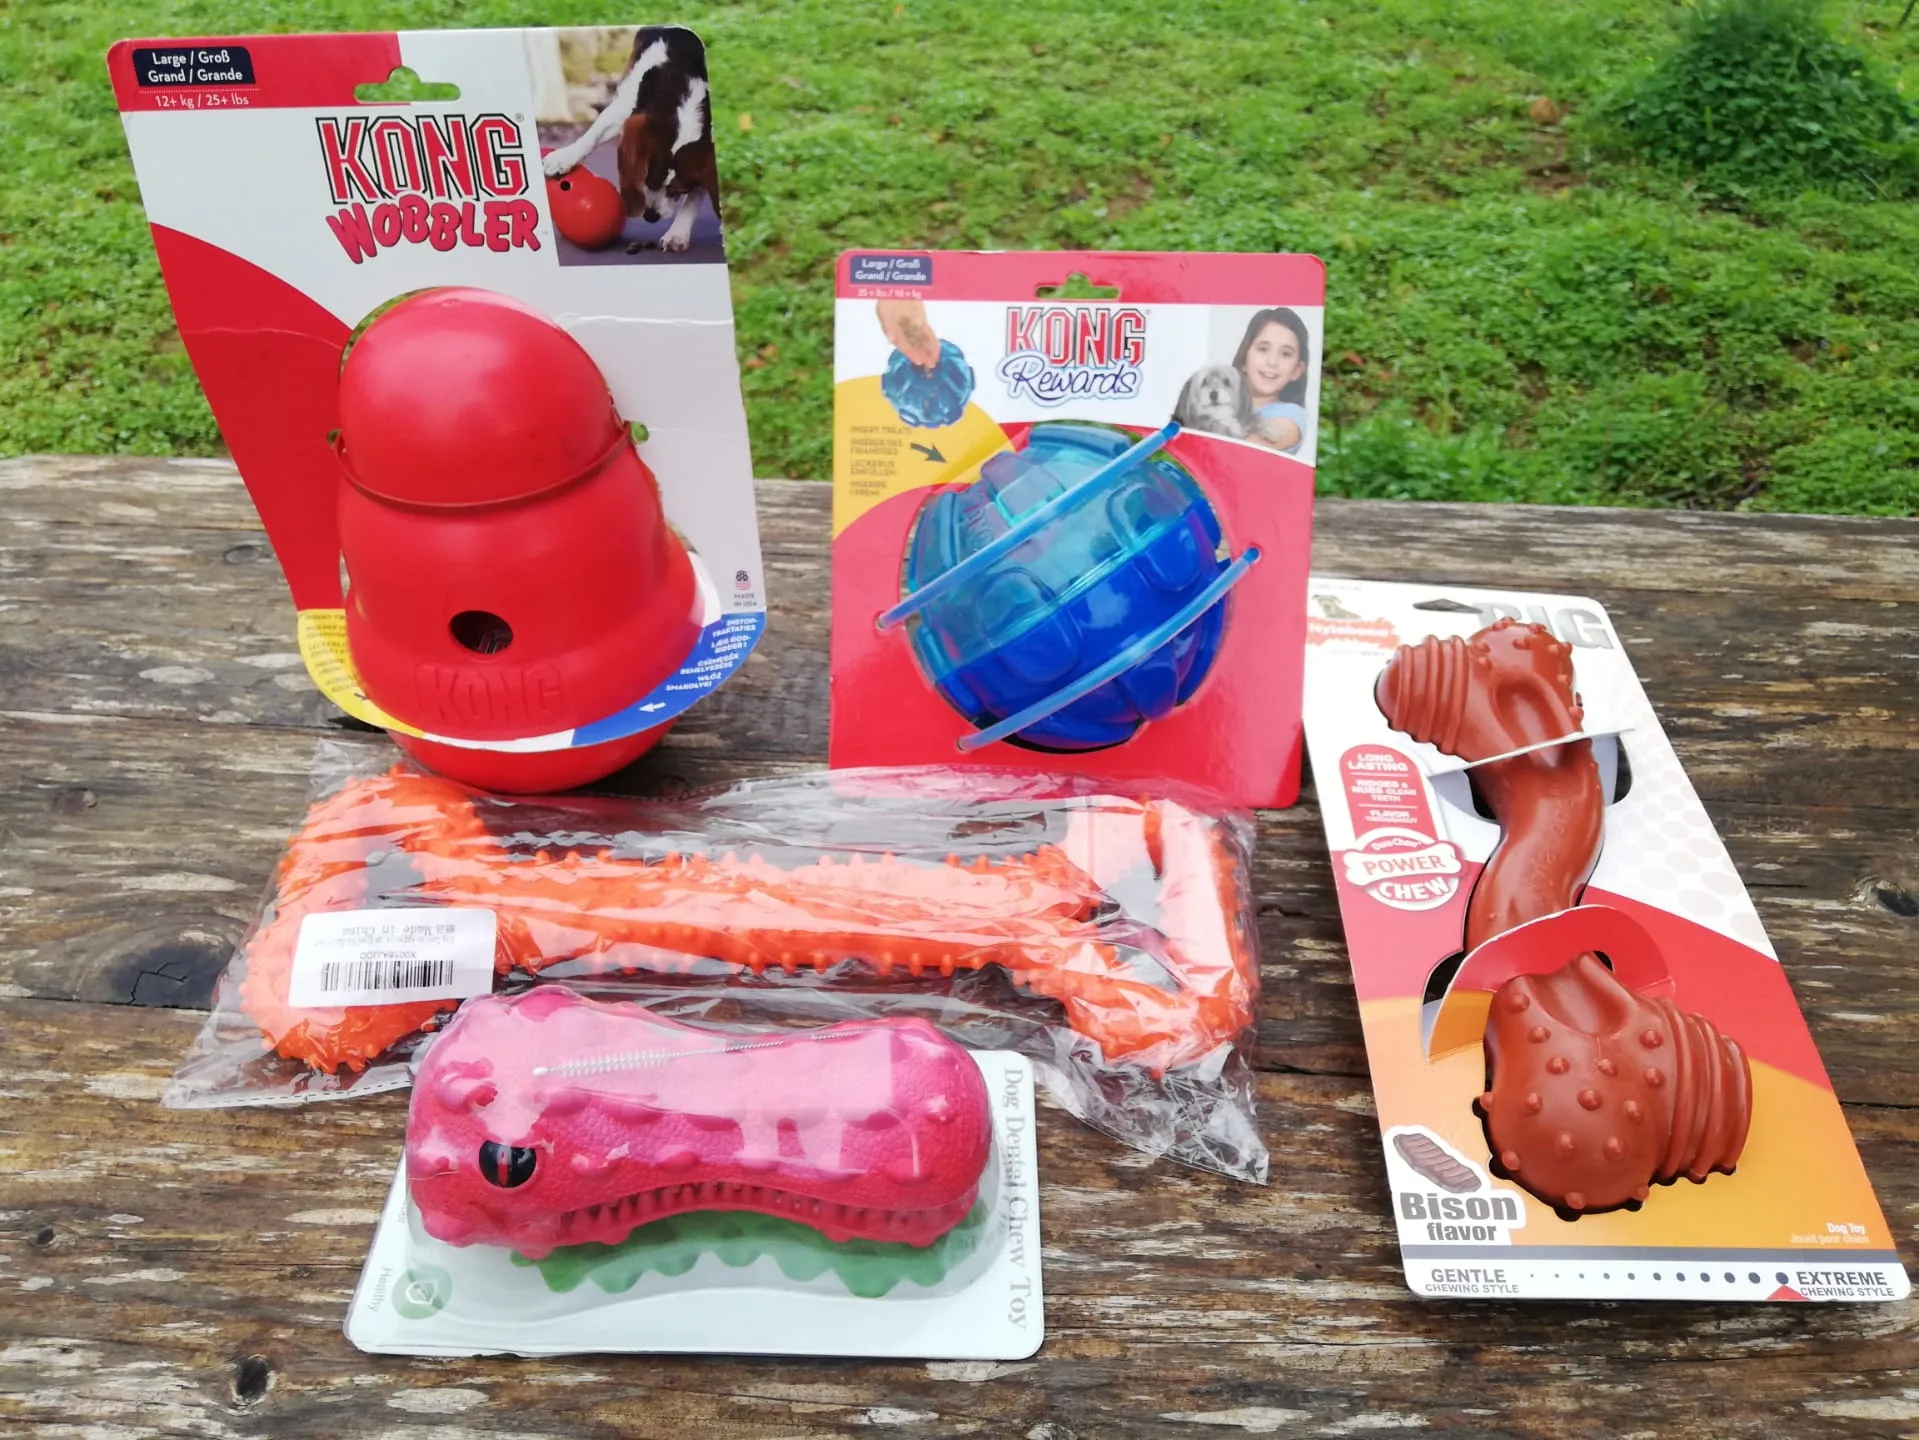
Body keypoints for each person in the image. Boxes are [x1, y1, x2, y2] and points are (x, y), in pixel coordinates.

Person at [1232, 308, 1312, 455]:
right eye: (1263, 349)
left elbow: (1231, 447)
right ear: (1244, 359)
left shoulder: (1291, 416)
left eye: (1285, 354)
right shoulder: (1222, 406)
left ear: (1297, 370)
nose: (1272, 361)